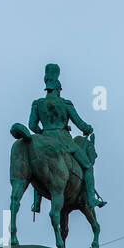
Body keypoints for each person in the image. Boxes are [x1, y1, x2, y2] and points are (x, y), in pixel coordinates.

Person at [28, 63, 107, 212]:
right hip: (65, 142)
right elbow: (81, 124)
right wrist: (88, 128)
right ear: (58, 89)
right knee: (87, 166)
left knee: (37, 168)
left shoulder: (37, 104)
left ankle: (37, 203)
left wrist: (42, 134)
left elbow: (31, 125)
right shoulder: (65, 104)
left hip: (45, 138)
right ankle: (91, 198)